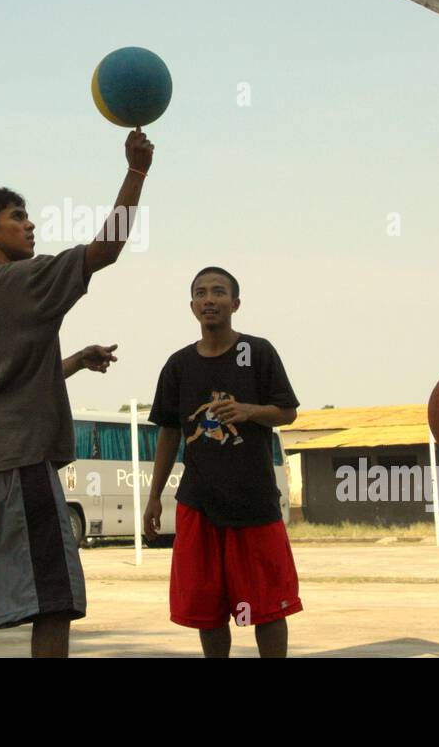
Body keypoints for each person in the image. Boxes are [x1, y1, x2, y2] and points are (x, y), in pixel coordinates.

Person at [0, 128, 154, 658]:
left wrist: (72, 363)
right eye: (18, 216)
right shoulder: (20, 280)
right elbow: (105, 249)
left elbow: (7, 381)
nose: (31, 223)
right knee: (55, 601)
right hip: (20, 460)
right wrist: (136, 172)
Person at [145, 266, 302, 658]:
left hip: (254, 502)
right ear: (192, 306)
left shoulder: (259, 351)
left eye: (218, 292)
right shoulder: (178, 365)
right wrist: (153, 496)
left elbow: (287, 413)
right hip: (198, 504)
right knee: (207, 612)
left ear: (235, 303)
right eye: (201, 293)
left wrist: (249, 411)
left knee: (266, 608)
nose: (209, 299)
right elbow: (168, 432)